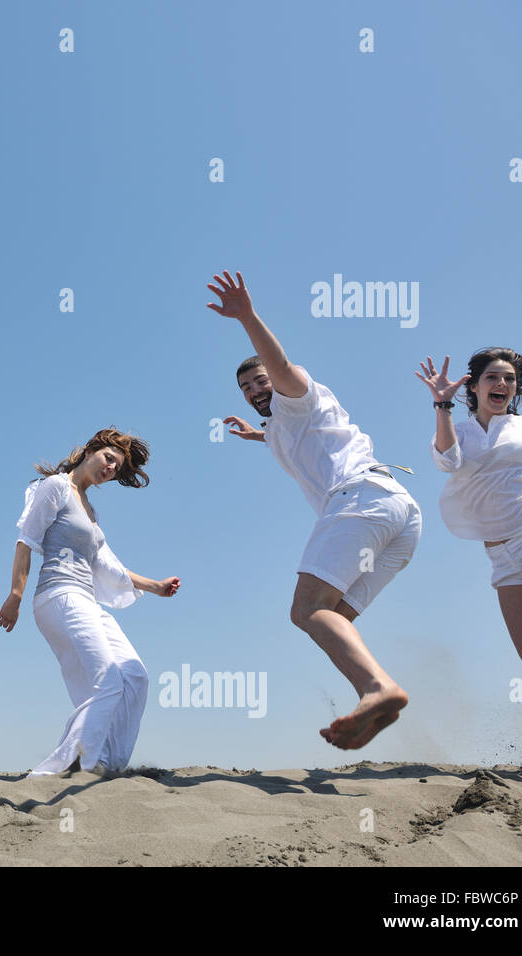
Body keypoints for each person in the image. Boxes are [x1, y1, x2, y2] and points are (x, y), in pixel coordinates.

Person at [211, 270, 422, 749]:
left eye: (259, 380)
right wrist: (253, 434)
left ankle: (378, 688)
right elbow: (282, 432)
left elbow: (281, 366)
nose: (255, 389)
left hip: (360, 501)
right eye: (246, 387)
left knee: (305, 610)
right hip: (399, 514)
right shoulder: (281, 426)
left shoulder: (298, 393)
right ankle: (376, 702)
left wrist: (247, 317)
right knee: (332, 617)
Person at [0, 430, 180, 775]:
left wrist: (155, 586)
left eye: (117, 467)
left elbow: (106, 565)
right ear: (91, 450)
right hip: (58, 594)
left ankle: (107, 762)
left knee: (134, 676)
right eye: (108, 457)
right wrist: (15, 596)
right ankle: (67, 766)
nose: (110, 468)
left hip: (87, 599)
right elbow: (26, 540)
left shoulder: (89, 509)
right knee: (107, 680)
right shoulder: (55, 487)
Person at [418, 350, 522, 768]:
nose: (501, 385)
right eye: (492, 377)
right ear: (474, 385)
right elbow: (447, 461)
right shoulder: (458, 430)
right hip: (501, 555)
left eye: (509, 379)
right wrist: (442, 405)